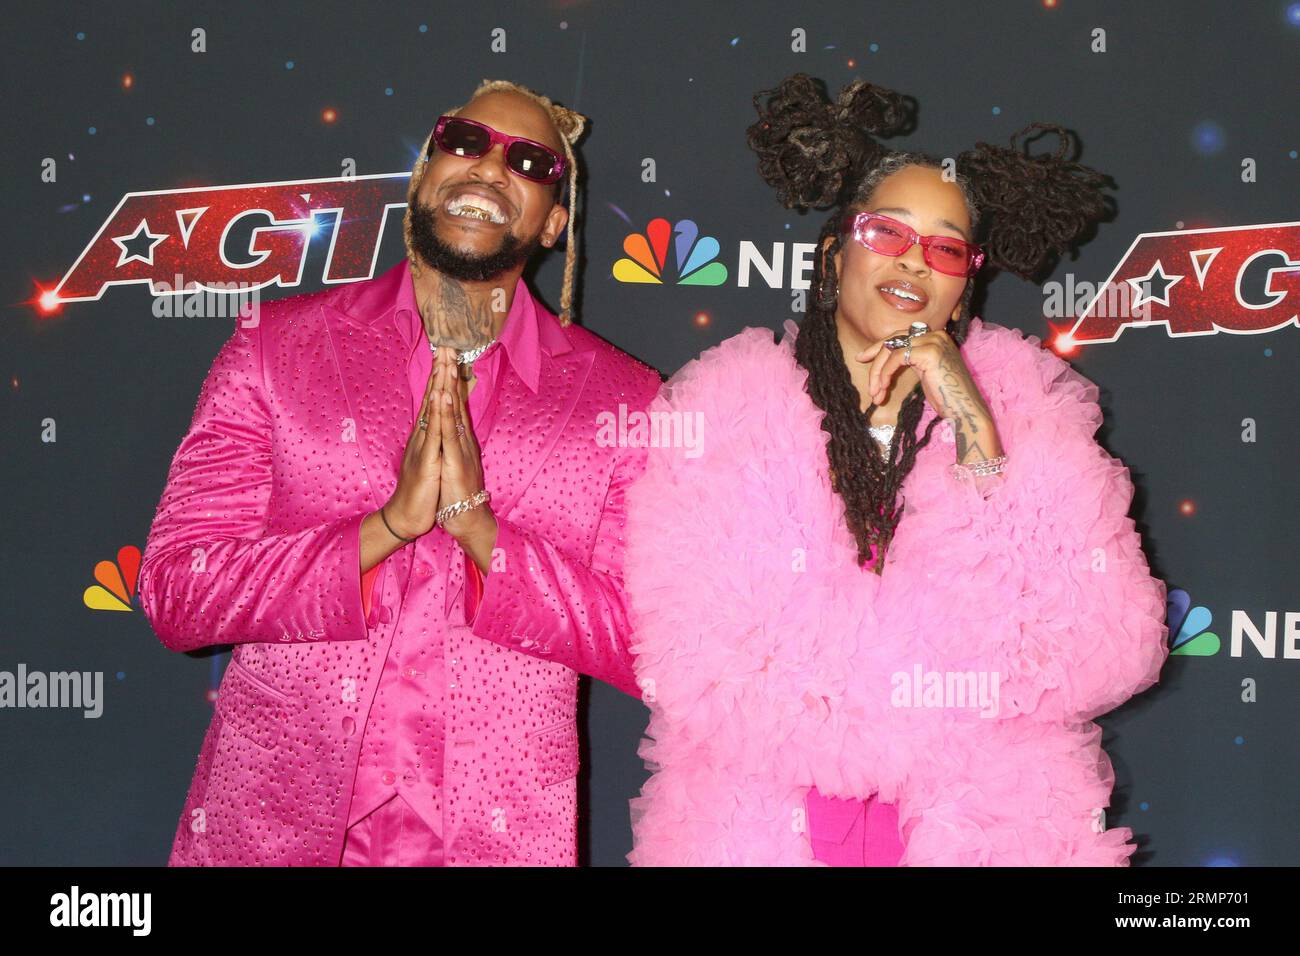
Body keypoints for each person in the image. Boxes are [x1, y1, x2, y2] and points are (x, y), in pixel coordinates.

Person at [623, 74, 1169, 866]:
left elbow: (1107, 645)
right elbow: (696, 657)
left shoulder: (1030, 417)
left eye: (945, 246)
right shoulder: (727, 410)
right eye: (888, 232)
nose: (914, 261)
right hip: (764, 823)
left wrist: (977, 430)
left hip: (981, 828)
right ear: (836, 247)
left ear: (965, 282)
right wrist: (938, 693)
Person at [138, 79, 661, 866]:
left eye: (527, 161)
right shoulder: (275, 348)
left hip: (493, 839)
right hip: (272, 827)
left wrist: (485, 536)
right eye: (463, 141)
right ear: (421, 175)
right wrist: (383, 531)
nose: (487, 168)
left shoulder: (624, 400)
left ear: (554, 222)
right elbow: (180, 592)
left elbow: (648, 644)